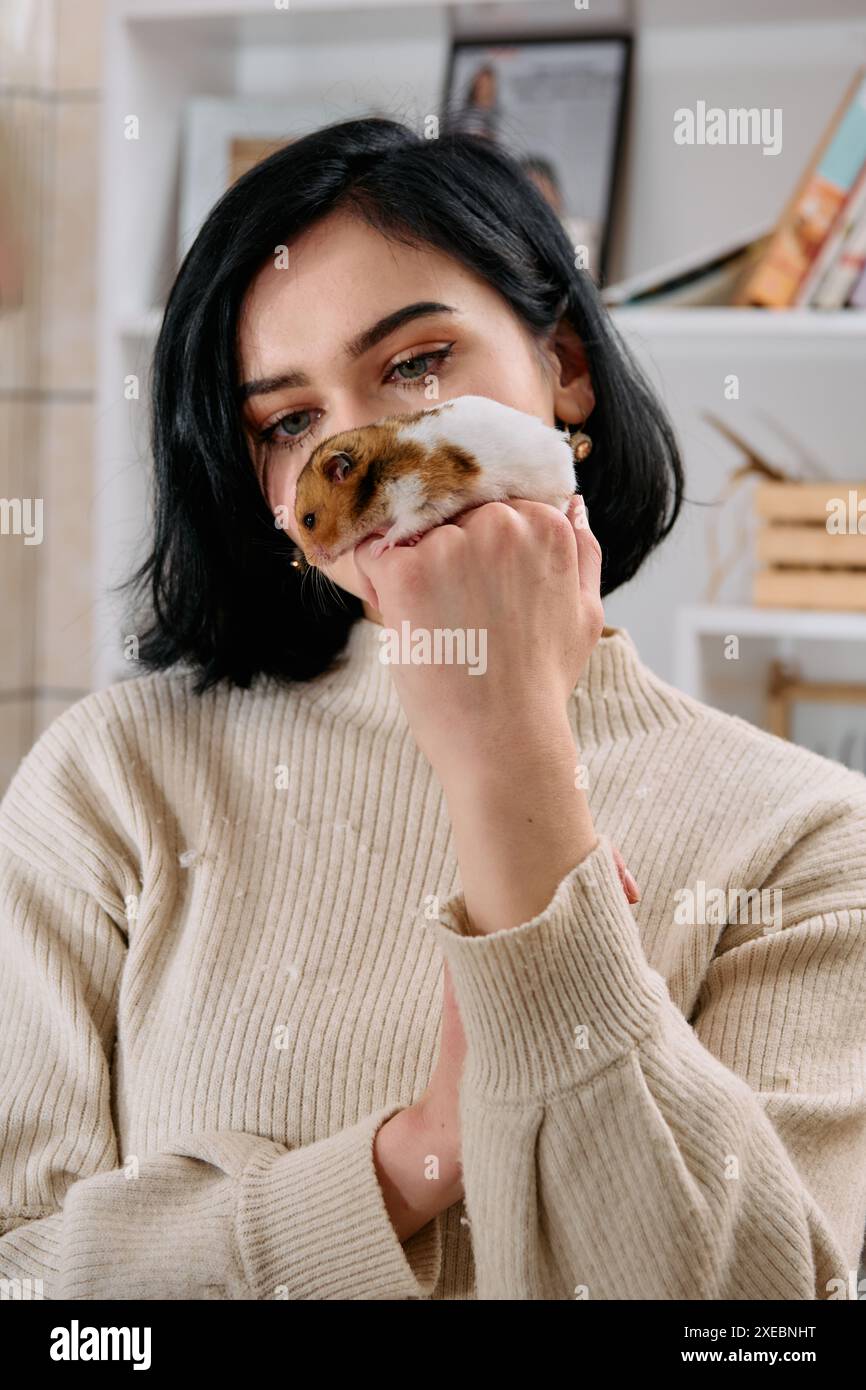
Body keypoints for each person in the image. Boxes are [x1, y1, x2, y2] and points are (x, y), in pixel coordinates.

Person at [1, 116, 865, 1301]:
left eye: (414, 364)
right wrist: (409, 1163)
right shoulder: (113, 780)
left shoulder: (808, 839)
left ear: (561, 366)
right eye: (288, 423)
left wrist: (506, 756)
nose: (357, 454)